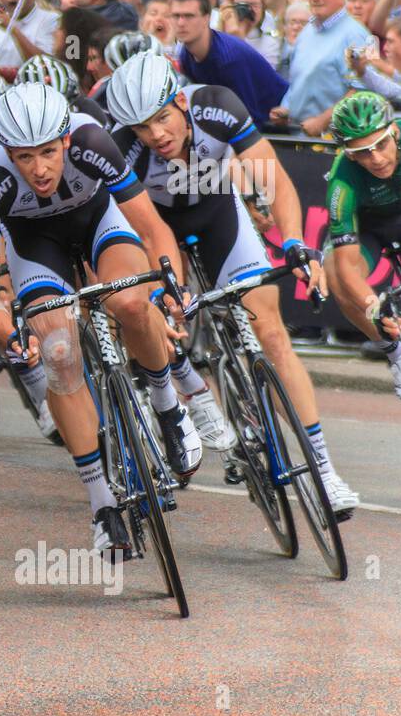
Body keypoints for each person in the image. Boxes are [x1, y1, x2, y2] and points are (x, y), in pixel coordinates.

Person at [105, 54, 360, 516]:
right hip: (157, 228)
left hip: (217, 211)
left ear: (180, 101)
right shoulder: (122, 149)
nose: (156, 135)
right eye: (142, 128)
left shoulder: (218, 107)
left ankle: (324, 469)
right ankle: (186, 387)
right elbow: (142, 232)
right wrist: (167, 289)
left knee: (270, 333)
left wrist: (297, 244)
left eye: (162, 118)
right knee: (164, 316)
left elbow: (276, 184)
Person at [0, 82, 202, 552]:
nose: (40, 168)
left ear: (66, 140)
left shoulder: (93, 141)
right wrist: (8, 332)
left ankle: (168, 407)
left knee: (131, 303)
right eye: (25, 157)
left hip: (99, 223)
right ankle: (101, 502)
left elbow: (151, 228)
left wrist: (170, 289)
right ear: (6, 150)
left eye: (49, 152)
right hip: (34, 245)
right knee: (58, 353)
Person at [325, 92, 401, 412]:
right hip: (366, 228)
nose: (376, 158)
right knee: (335, 276)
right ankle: (396, 354)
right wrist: (373, 306)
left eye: (380, 145)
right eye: (363, 153)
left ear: (394, 132)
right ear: (350, 155)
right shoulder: (343, 181)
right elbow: (346, 267)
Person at [272, 0, 372, 137]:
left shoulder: (356, 34)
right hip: (299, 135)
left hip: (338, 138)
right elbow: (299, 80)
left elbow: (363, 90)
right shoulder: (307, 31)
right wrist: (286, 108)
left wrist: (323, 120)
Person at [170, 0, 289, 127]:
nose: (181, 23)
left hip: (278, 122)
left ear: (206, 18)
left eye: (189, 16)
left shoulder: (229, 59)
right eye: (176, 16)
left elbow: (248, 120)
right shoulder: (186, 55)